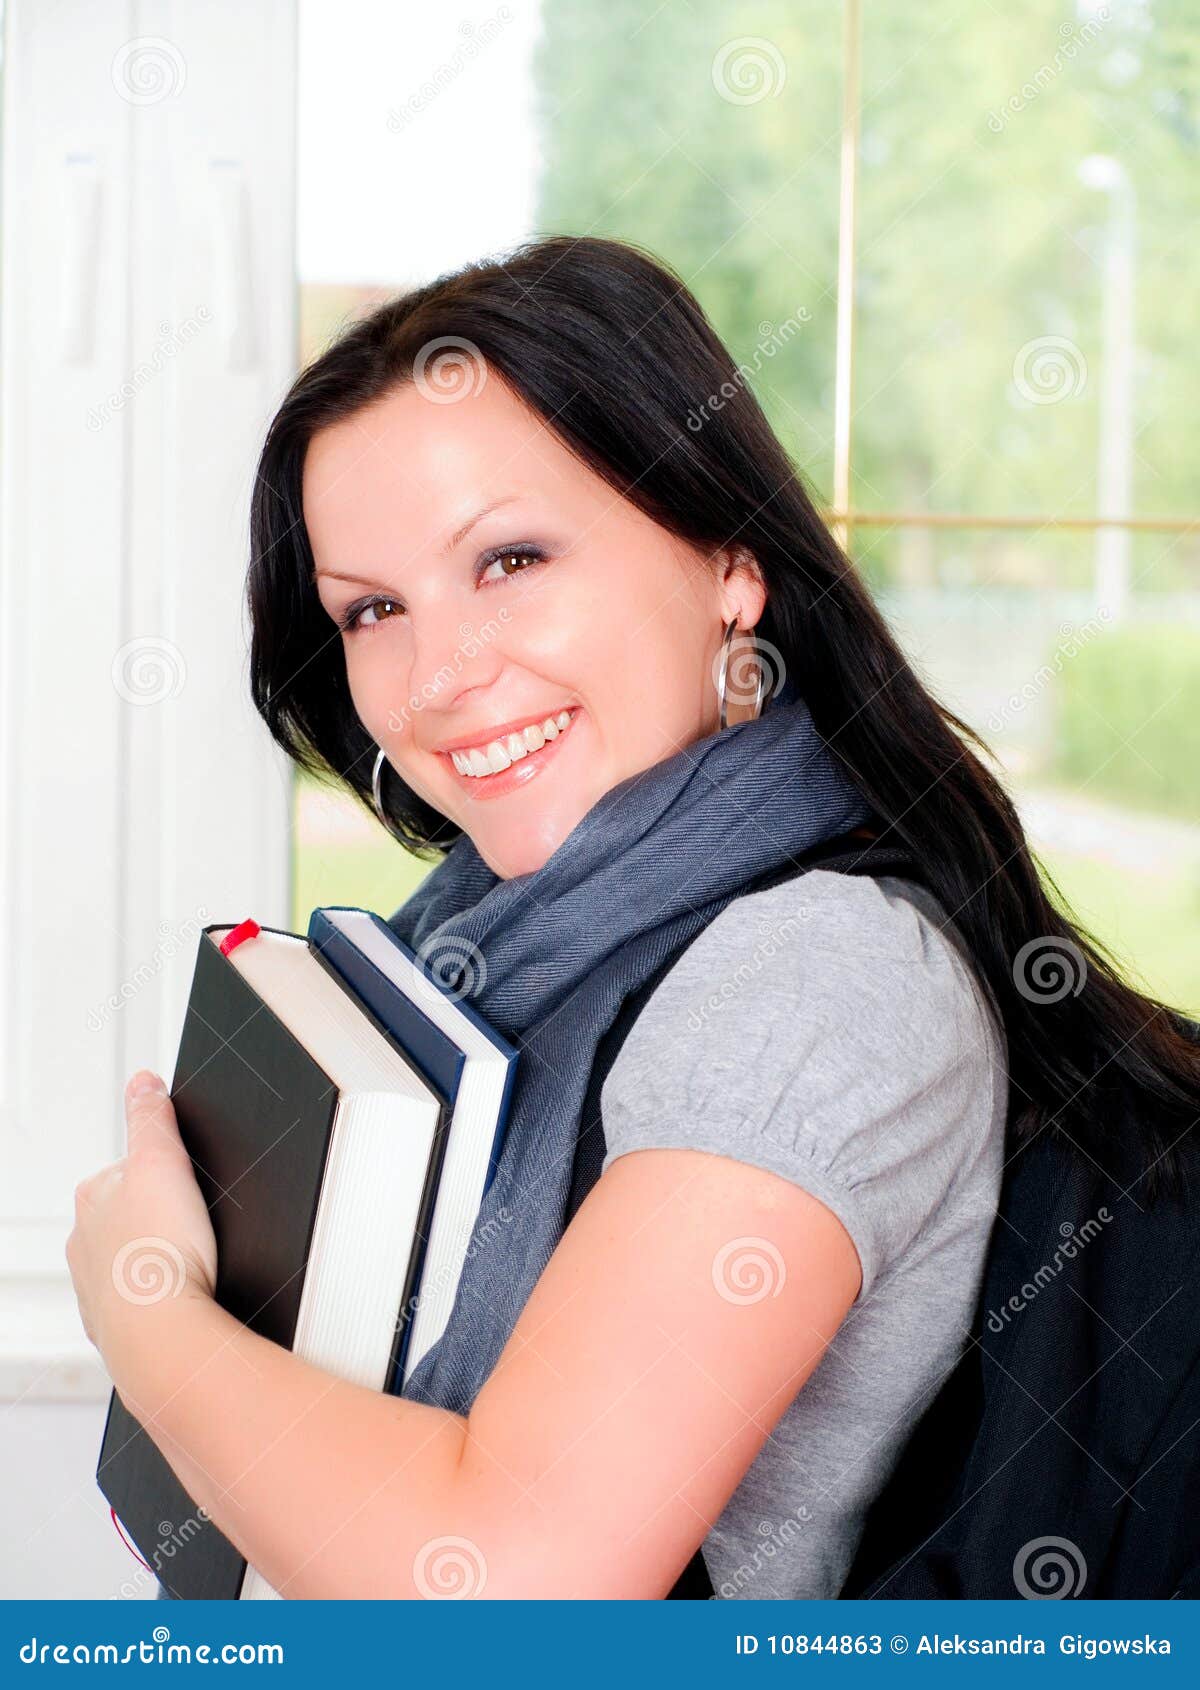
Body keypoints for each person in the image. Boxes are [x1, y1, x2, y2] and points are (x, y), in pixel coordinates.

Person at [68, 235, 1200, 1601]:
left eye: (510, 558)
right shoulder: (492, 929)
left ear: (730, 561)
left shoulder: (810, 976)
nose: (439, 676)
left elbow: (509, 1588)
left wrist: (141, 1304)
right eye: (372, 609)